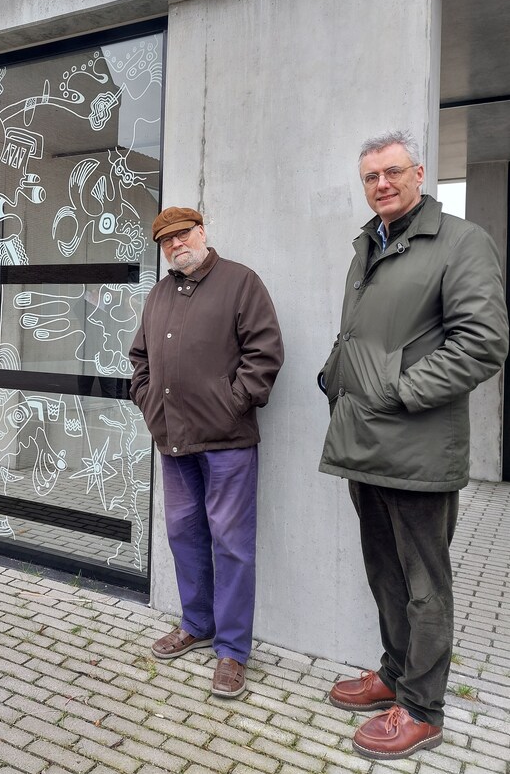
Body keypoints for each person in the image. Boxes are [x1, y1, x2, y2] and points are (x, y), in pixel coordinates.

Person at [319, 131, 508, 760]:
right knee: (384, 572)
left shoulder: (460, 242)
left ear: (418, 173)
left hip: (418, 447)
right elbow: (360, 335)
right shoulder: (367, 246)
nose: (381, 184)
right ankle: (394, 677)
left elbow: (482, 342)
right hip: (363, 440)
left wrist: (396, 391)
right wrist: (335, 375)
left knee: (426, 583)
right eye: (371, 175)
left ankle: (423, 710)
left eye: (393, 172)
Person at [129, 205, 284, 697]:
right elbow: (140, 360)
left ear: (202, 233)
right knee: (183, 533)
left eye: (183, 235)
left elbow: (265, 353)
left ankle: (233, 652)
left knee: (232, 543)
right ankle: (197, 623)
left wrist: (232, 404)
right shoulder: (158, 294)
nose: (176, 246)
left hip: (227, 443)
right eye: (166, 241)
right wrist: (149, 401)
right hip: (174, 441)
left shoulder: (241, 283)